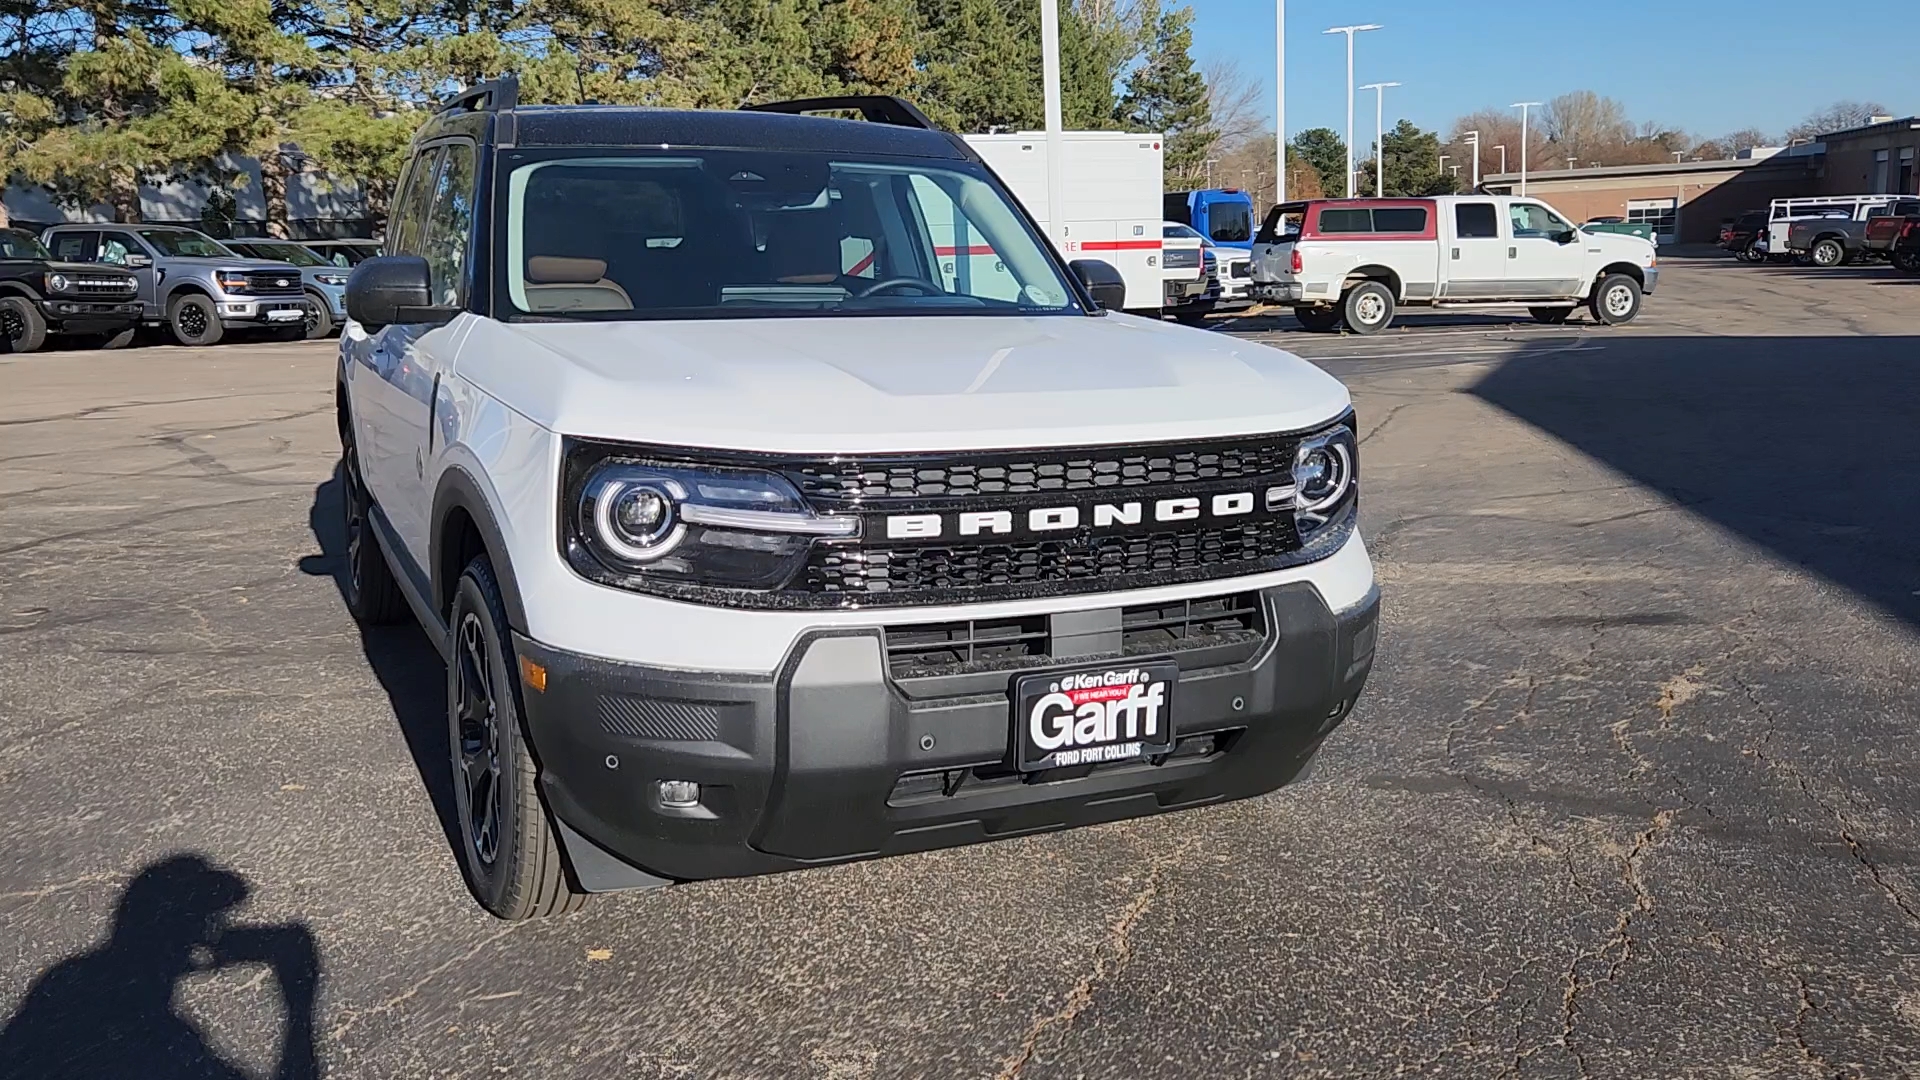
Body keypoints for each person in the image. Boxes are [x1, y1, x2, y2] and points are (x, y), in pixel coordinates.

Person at [0, 855, 320, 1080]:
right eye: (212, 925)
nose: (220, 933)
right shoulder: (150, 1035)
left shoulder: (72, 981)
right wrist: (299, 1006)